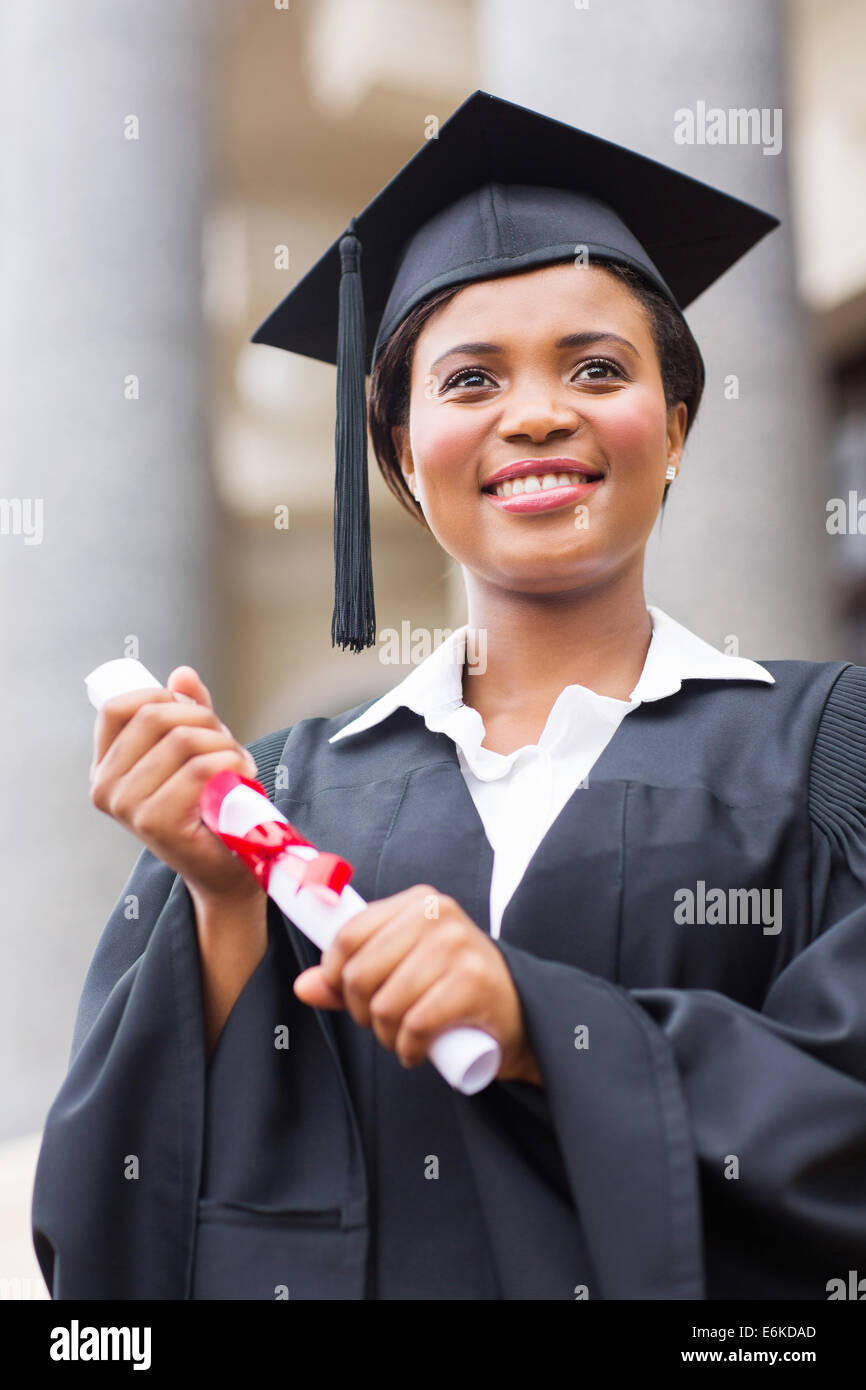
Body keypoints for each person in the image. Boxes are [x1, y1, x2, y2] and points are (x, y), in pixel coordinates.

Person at [32, 90, 866, 1300]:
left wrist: (550, 1031)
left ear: (675, 428)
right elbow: (112, 1242)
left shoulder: (824, 747)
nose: (535, 412)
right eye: (468, 381)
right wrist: (221, 915)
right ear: (401, 455)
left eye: (595, 367)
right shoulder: (265, 799)